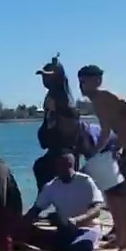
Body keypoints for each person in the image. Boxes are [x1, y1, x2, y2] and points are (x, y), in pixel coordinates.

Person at [77, 64, 126, 251]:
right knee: (113, 194)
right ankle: (119, 237)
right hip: (121, 149)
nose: (81, 85)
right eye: (80, 81)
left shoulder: (105, 96)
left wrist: (125, 143)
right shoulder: (96, 102)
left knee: (123, 197)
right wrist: (94, 152)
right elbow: (106, 132)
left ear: (97, 81)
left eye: (85, 81)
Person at [22, 151, 105, 251]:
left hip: (87, 228)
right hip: (66, 231)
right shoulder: (51, 186)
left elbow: (97, 209)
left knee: (79, 247)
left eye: (63, 166)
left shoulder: (85, 181)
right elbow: (36, 209)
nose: (59, 169)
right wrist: (22, 223)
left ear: (71, 165)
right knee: (33, 238)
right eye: (57, 166)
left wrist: (77, 220)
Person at [33, 55, 82, 192]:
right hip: (55, 148)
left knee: (61, 176)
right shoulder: (52, 94)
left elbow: (68, 122)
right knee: (41, 168)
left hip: (66, 150)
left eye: (47, 76)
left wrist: (57, 66)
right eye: (43, 77)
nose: (45, 80)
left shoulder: (62, 94)